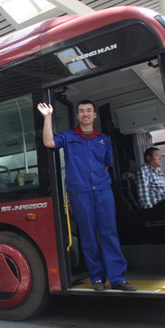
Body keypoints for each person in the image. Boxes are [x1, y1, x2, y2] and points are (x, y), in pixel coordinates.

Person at [38, 100, 136, 292]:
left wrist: (97, 182)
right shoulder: (68, 136)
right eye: (81, 111)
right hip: (79, 192)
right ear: (77, 115)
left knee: (109, 233)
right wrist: (47, 117)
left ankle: (118, 278)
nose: (85, 114)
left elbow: (106, 165)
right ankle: (97, 278)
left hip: (102, 191)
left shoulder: (103, 139)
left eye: (89, 111)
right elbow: (48, 142)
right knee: (88, 235)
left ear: (95, 115)